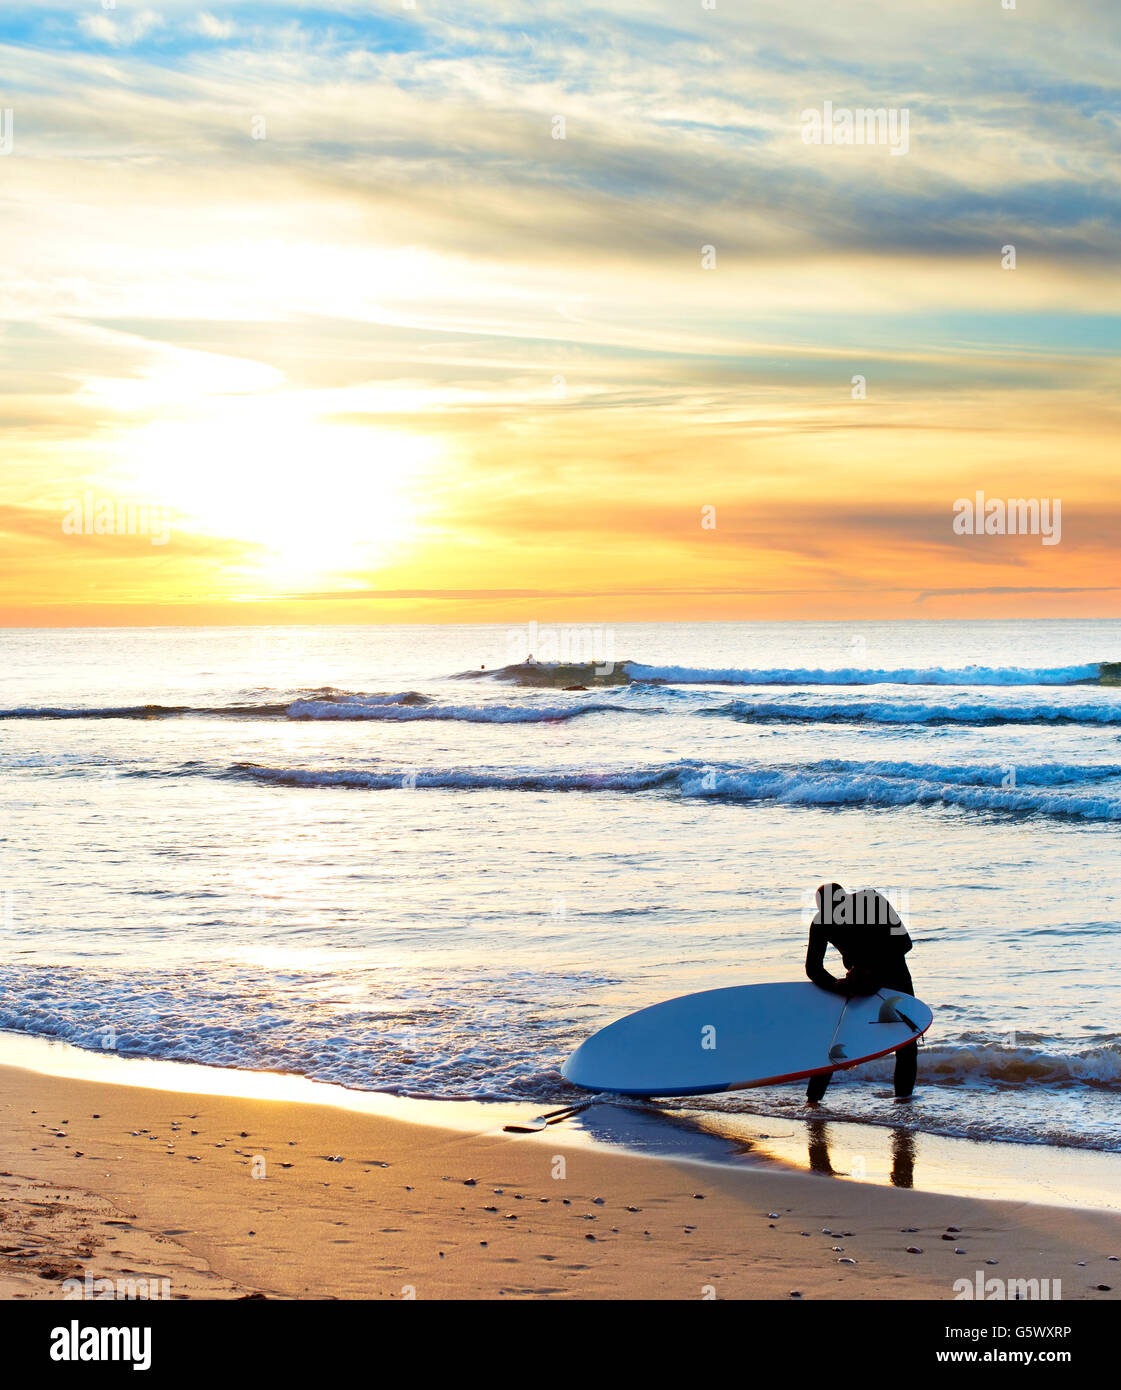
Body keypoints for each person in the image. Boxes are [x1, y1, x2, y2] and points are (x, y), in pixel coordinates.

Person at [804, 881, 917, 1105]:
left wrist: (869, 967)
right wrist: (836, 986)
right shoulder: (821, 923)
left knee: (906, 1041)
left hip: (894, 975)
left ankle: (903, 1102)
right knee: (834, 1038)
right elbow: (813, 968)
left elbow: (904, 943)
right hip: (859, 983)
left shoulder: (873, 901)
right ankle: (812, 1103)